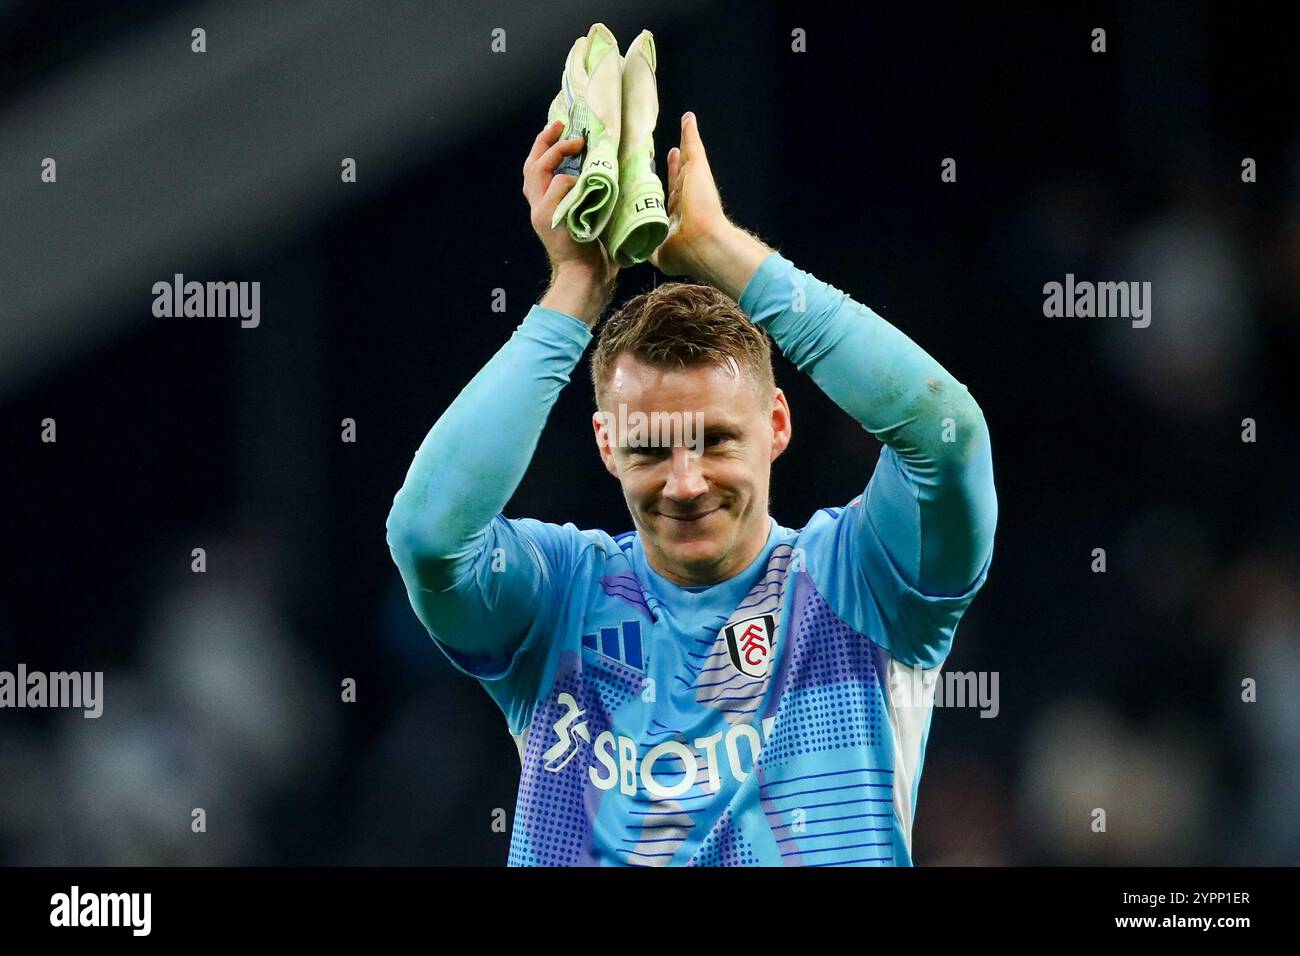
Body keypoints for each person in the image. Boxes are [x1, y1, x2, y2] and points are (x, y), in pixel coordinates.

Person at [386, 111, 997, 866]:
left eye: (715, 440)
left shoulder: (865, 582)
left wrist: (716, 249)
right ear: (607, 445)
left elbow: (948, 435)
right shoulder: (557, 601)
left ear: (776, 425)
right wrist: (575, 290)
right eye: (648, 447)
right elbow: (428, 535)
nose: (684, 483)